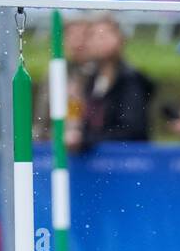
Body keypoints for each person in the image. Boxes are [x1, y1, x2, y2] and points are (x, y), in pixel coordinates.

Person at [64, 17, 154, 152]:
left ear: (120, 39)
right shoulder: (89, 80)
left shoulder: (130, 80)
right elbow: (83, 120)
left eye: (104, 35)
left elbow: (132, 130)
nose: (98, 41)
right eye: (92, 36)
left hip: (127, 161)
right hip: (96, 162)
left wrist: (85, 140)